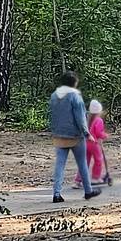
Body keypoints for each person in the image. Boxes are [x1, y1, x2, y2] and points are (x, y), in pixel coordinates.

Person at [50, 70, 100, 203]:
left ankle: (56, 194)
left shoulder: (54, 95)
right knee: (82, 163)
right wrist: (86, 133)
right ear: (75, 83)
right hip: (75, 135)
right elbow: (80, 118)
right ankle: (88, 191)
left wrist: (54, 130)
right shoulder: (75, 97)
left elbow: (52, 115)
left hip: (59, 134)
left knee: (59, 165)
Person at [75, 99, 112, 188]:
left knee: (85, 162)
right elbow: (98, 132)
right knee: (98, 160)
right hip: (94, 143)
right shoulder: (98, 120)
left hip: (86, 143)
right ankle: (95, 177)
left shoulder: (88, 120)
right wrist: (105, 136)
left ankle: (78, 180)